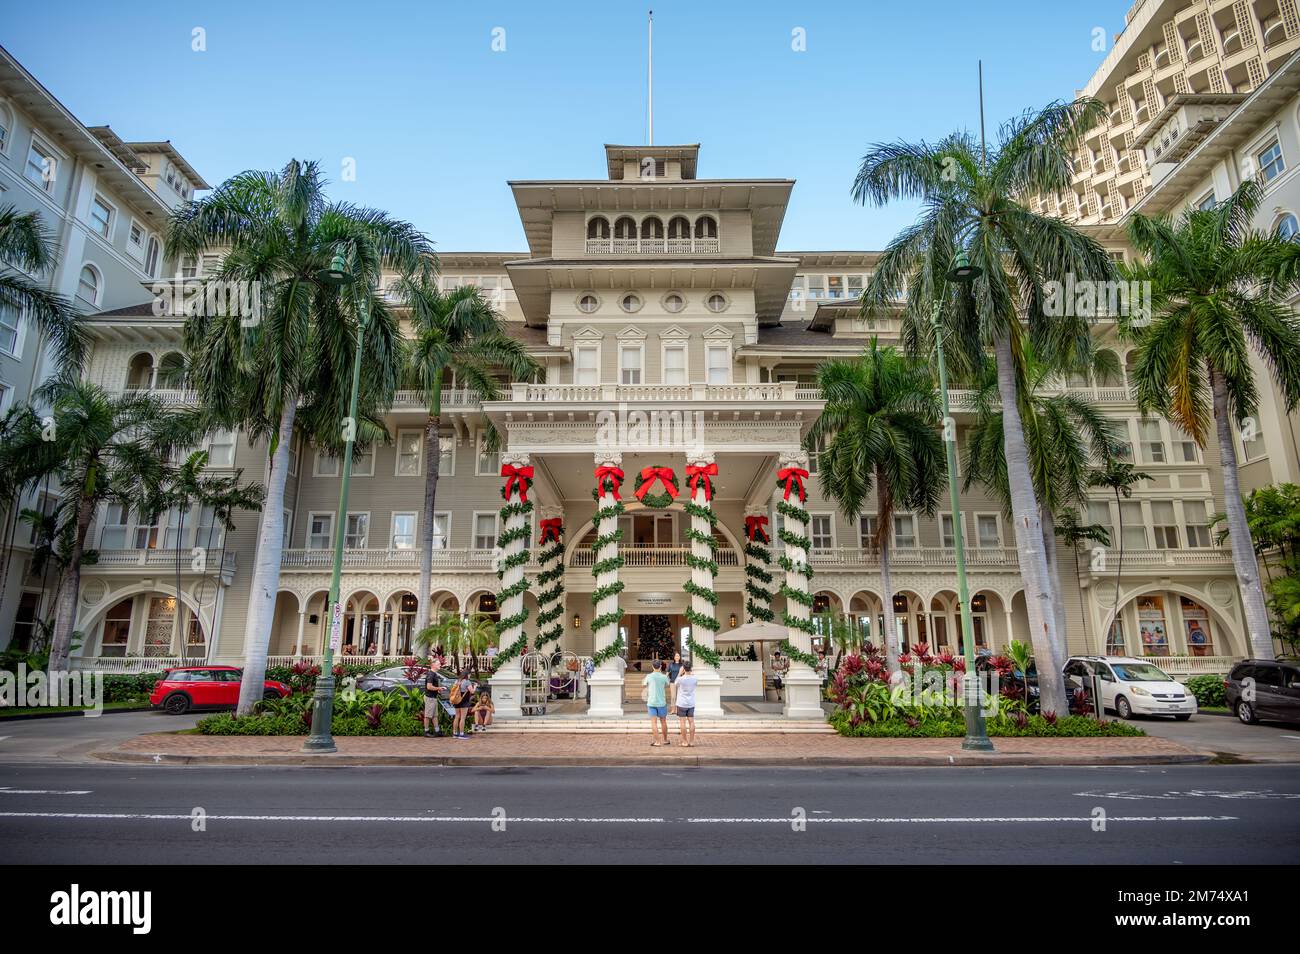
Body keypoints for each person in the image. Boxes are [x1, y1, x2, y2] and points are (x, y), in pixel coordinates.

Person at [643, 660, 671, 746]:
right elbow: (668, 684)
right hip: (661, 702)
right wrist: (666, 676)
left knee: (654, 723)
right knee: (663, 722)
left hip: (651, 702)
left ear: (652, 666)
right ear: (660, 667)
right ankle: (665, 740)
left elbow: (644, 684)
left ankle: (657, 741)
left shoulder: (649, 676)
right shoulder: (663, 677)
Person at [674, 661, 698, 747]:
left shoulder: (680, 679)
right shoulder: (695, 678)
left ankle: (684, 741)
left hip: (681, 703)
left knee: (682, 722)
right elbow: (695, 684)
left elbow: (675, 683)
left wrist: (680, 673)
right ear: (691, 668)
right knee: (691, 721)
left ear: (683, 668)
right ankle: (691, 741)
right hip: (691, 703)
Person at [450, 668, 477, 739]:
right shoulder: (467, 682)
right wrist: (475, 687)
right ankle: (461, 734)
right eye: (470, 674)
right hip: (464, 700)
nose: (470, 676)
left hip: (456, 699)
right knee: (463, 717)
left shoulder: (457, 681)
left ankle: (454, 733)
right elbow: (472, 692)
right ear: (467, 674)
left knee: (457, 716)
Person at [421, 666, 443, 738]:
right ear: (433, 665)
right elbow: (429, 687)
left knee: (434, 716)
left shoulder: (434, 674)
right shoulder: (431, 674)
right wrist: (438, 688)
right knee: (428, 716)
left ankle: (437, 731)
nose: (440, 665)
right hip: (429, 698)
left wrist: (438, 690)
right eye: (438, 663)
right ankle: (426, 732)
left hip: (433, 697)